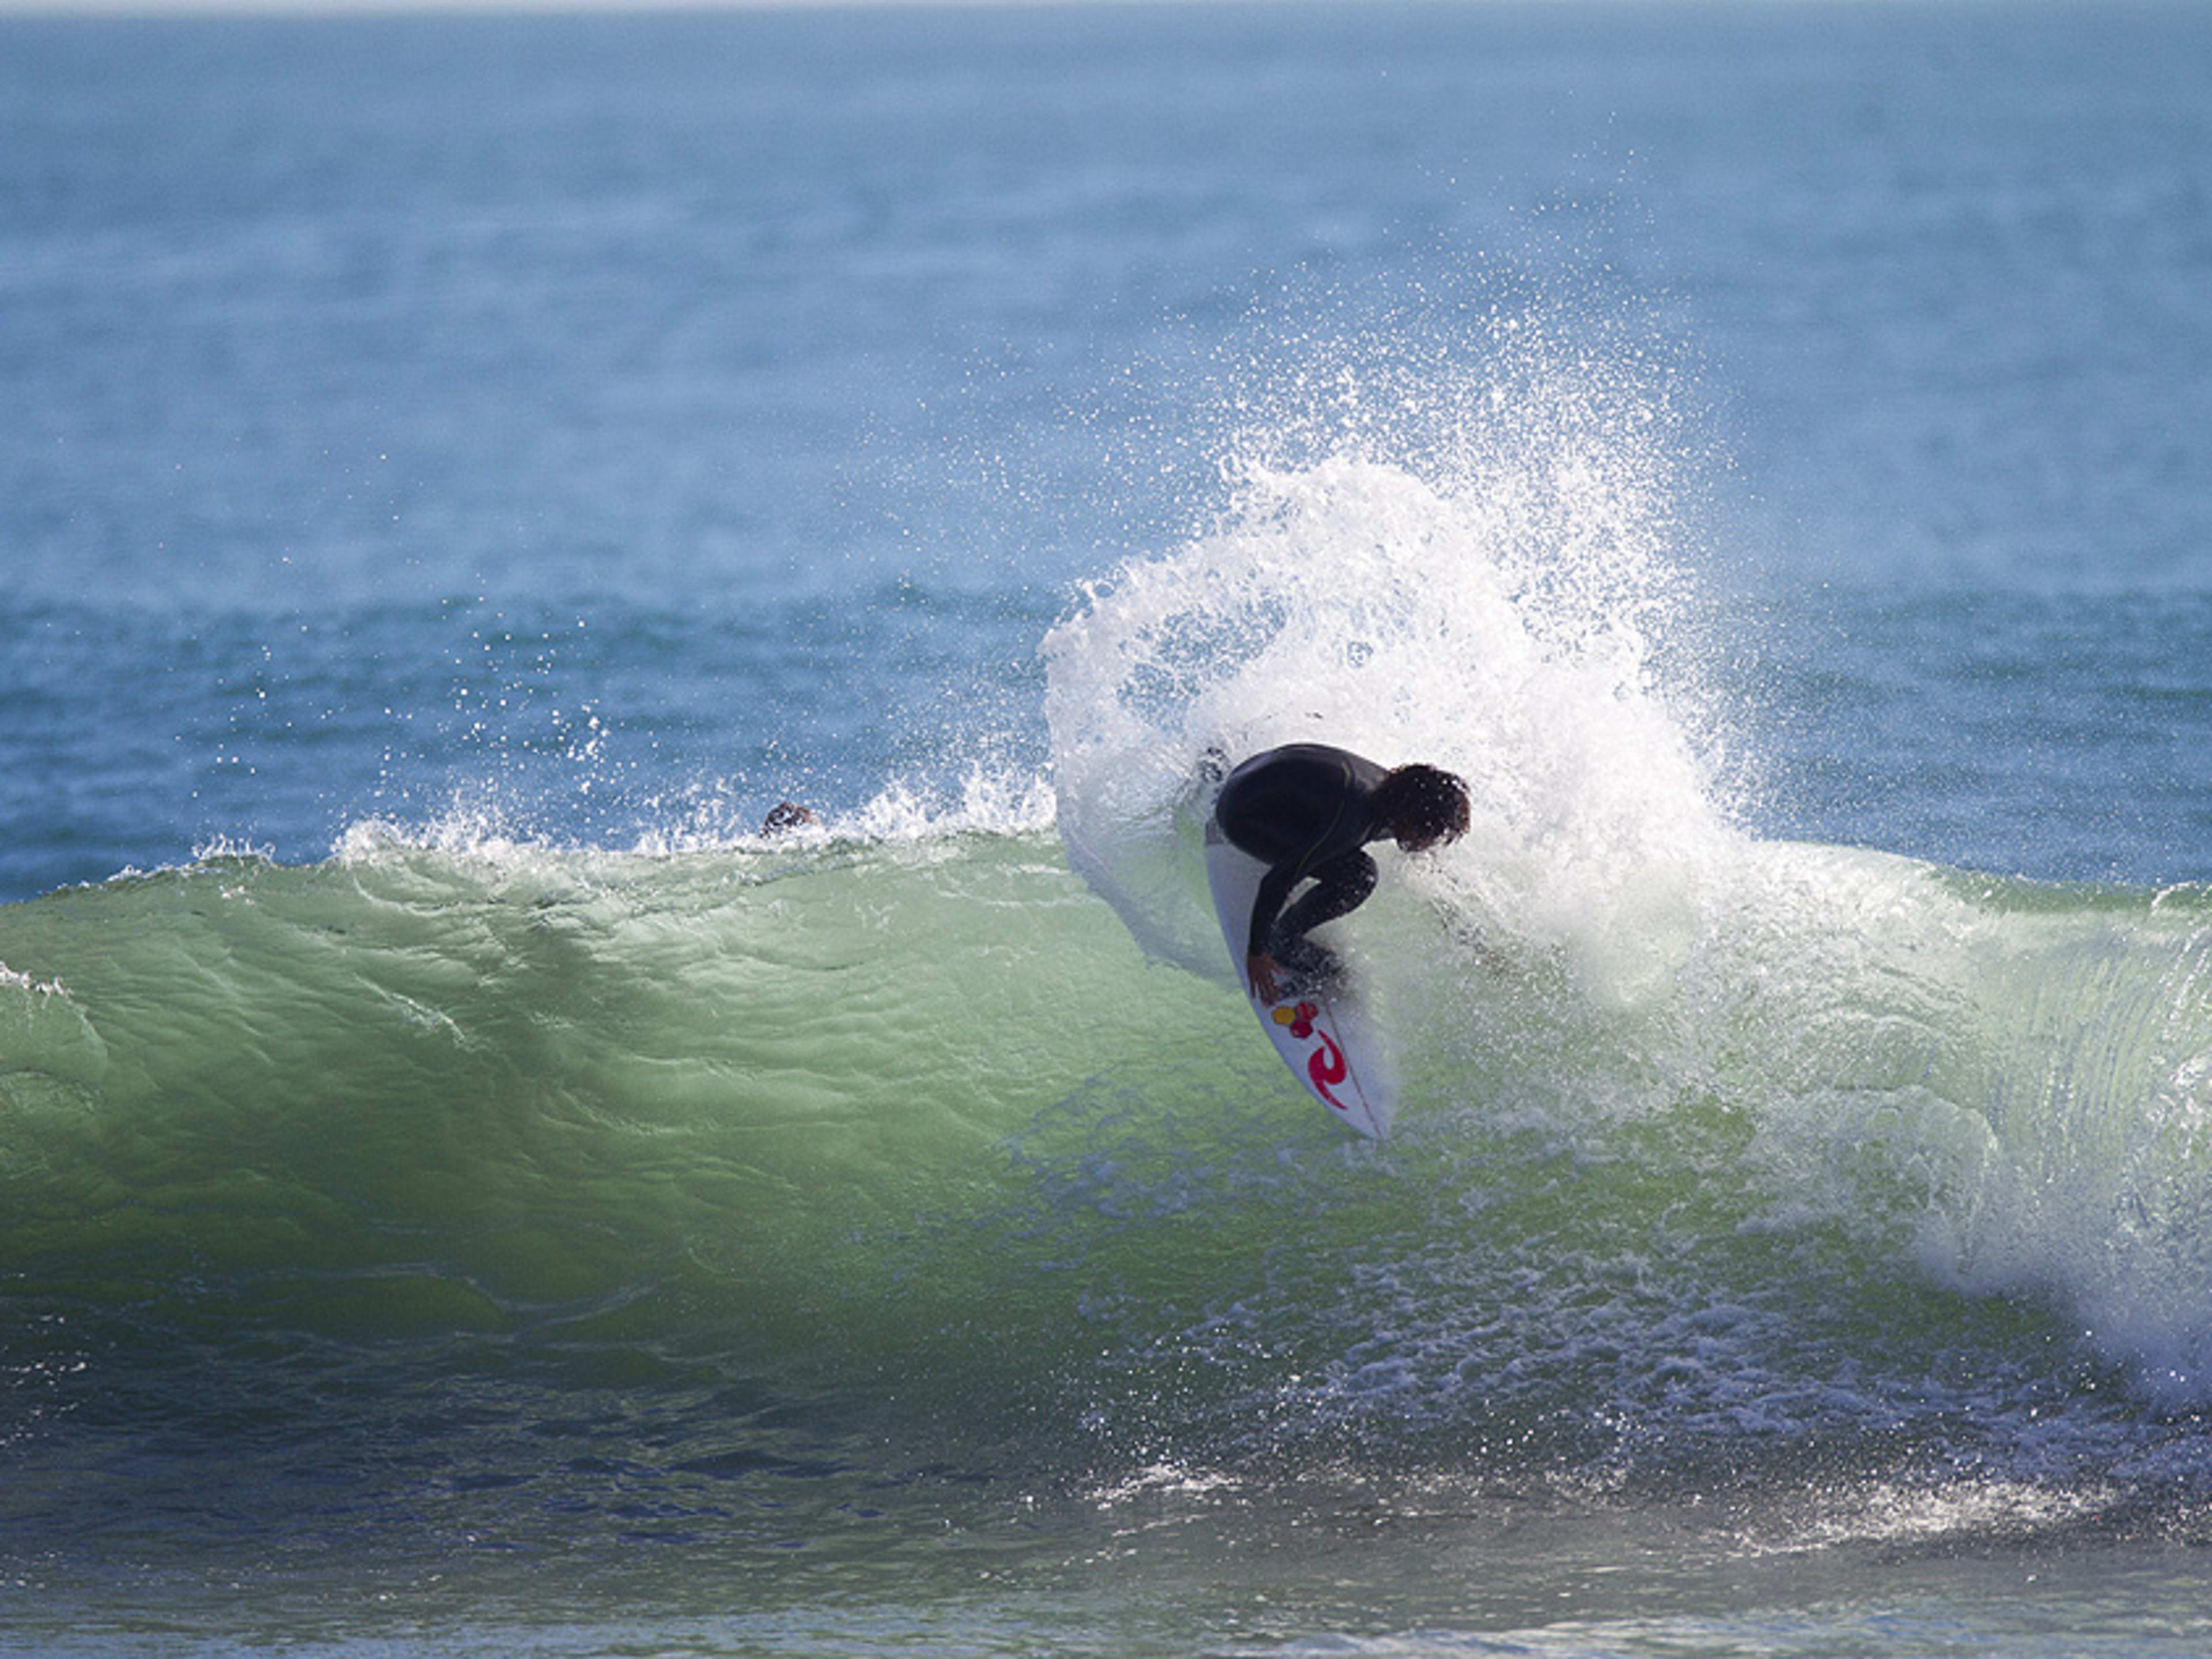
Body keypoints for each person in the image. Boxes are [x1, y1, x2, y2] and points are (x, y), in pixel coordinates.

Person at [1212, 743, 1469, 1002]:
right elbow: (1276, 882)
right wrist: (1256, 951)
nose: (1428, 843)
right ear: (1411, 818)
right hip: (1241, 816)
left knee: (1330, 836)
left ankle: (1215, 771)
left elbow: (1432, 869)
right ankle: (1283, 942)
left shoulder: (1397, 793)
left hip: (1246, 773)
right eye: (1427, 834)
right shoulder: (1354, 818)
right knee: (1359, 876)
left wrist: (1463, 934)